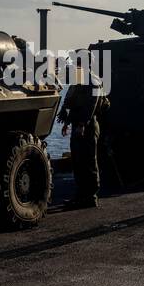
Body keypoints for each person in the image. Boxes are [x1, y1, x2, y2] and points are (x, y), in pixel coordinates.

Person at [58, 71, 109, 209]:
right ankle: (80, 195)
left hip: (88, 126)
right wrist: (67, 122)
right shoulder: (79, 79)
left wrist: (82, 124)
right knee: (78, 161)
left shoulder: (93, 80)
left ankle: (90, 197)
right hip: (78, 125)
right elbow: (71, 99)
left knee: (88, 161)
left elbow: (91, 105)